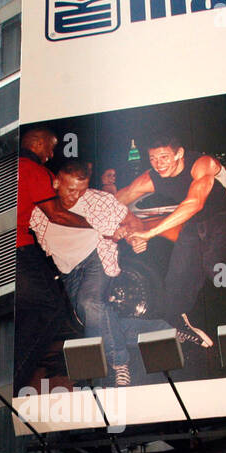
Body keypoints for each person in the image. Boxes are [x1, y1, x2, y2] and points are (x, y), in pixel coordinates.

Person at [117, 131, 226, 351]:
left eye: (164, 157)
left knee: (216, 265)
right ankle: (179, 323)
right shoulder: (150, 178)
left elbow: (195, 202)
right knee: (177, 275)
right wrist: (118, 227)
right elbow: (117, 200)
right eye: (153, 159)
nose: (158, 164)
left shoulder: (203, 164)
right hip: (195, 221)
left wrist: (148, 233)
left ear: (179, 153)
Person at [29, 159, 166, 386]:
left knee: (90, 301)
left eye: (81, 190)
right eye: (71, 189)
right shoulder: (40, 208)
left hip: (97, 257)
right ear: (56, 183)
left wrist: (134, 238)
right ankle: (162, 329)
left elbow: (133, 222)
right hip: (68, 269)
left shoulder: (98, 201)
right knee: (96, 319)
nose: (76, 196)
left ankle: (118, 364)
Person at [15, 125, 93, 390]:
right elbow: (57, 214)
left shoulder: (15, 169)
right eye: (50, 147)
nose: (50, 155)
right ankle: (18, 376)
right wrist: (95, 225)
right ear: (37, 143)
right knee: (53, 309)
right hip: (21, 249)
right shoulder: (31, 169)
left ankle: (35, 369)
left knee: (35, 313)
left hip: (11, 253)